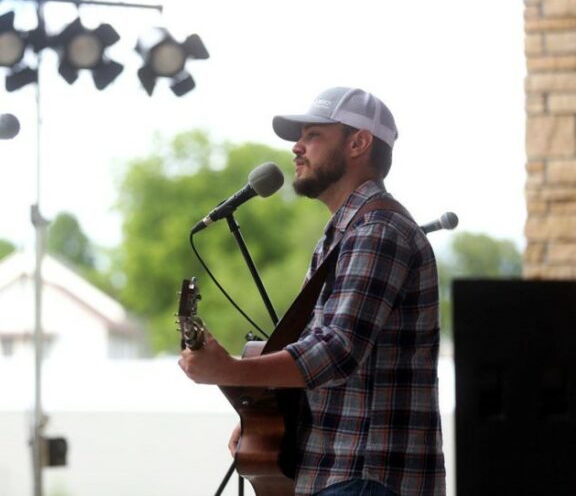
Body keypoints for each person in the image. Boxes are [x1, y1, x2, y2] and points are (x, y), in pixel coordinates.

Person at [178, 87, 446, 496]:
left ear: (358, 142)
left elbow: (337, 351)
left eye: (313, 135)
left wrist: (231, 370)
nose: (296, 148)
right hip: (345, 472)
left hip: (366, 473)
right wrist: (266, 415)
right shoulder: (344, 234)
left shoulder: (378, 231)